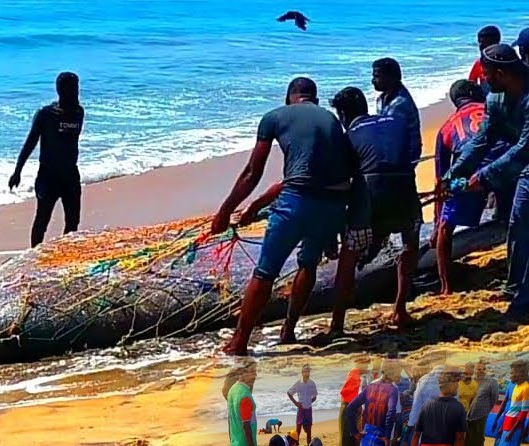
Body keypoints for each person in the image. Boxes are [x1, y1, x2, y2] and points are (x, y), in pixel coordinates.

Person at [210, 78, 354, 355]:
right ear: (315, 99)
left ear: (289, 97)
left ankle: (239, 343)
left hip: (296, 202)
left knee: (265, 272)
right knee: (308, 264)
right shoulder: (332, 120)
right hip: (333, 204)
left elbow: (253, 172)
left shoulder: (274, 117)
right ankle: (288, 331)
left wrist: (225, 211)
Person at [328, 87, 423, 331]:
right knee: (410, 247)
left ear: (342, 114)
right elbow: (410, 154)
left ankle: (337, 323)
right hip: (407, 194)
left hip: (372, 197)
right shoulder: (396, 122)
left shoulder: (348, 135)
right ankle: (400, 309)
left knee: (348, 256)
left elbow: (342, 179)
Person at [447, 45, 529, 317]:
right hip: (524, 164)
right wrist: (455, 173)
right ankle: (516, 286)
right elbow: (481, 141)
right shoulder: (495, 99)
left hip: (525, 156)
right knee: (518, 223)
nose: (483, 80)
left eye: (487, 74)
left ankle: (523, 299)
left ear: (502, 73)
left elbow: (522, 149)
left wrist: (482, 178)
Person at [434, 80, 505, 295]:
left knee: (446, 228)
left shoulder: (446, 127)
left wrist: (438, 221)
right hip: (503, 169)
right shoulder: (495, 110)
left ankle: (445, 286)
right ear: (476, 93)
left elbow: (441, 180)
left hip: (468, 178)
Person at [8, 72, 85, 248]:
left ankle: (65, 255)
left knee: (73, 222)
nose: (75, 92)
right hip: (48, 176)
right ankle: (34, 255)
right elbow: (30, 143)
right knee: (42, 220)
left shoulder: (79, 112)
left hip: (71, 175)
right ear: (59, 90)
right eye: (70, 88)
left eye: (76, 88)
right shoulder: (46, 115)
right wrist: (17, 171)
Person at [372, 58, 421, 167]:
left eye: (377, 76)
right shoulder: (383, 98)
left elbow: (390, 138)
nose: (373, 81)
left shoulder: (399, 105)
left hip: (405, 158)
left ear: (391, 78)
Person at [491, 359, 529, 446]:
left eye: (512, 373)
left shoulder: (525, 388)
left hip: (513, 428)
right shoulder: (516, 387)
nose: (510, 376)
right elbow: (510, 409)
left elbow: (522, 414)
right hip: (507, 425)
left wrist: (512, 432)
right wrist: (501, 425)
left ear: (521, 374)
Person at [467, 359, 501, 446]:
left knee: (478, 438)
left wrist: (486, 409)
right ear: (474, 370)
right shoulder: (469, 381)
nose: (481, 371)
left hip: (481, 414)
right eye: (478, 369)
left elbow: (494, 398)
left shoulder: (491, 382)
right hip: (467, 414)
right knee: (466, 437)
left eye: (483, 369)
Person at [339, 357, 370, 446]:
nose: (366, 368)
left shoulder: (356, 374)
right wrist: (356, 404)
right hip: (349, 410)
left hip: (349, 409)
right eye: (365, 365)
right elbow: (344, 392)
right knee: (348, 445)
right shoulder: (354, 374)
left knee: (351, 443)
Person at [286, 365, 317, 446]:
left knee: (309, 431)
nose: (307, 373)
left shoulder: (312, 383)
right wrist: (295, 403)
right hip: (301, 409)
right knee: (298, 431)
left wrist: (309, 402)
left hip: (308, 410)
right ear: (302, 373)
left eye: (308, 371)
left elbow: (315, 396)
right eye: (305, 371)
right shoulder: (298, 383)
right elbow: (289, 393)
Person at [471, 26, 501, 91]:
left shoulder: (506, 63)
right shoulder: (479, 64)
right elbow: (471, 85)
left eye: (484, 44)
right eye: (479, 43)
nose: (480, 46)